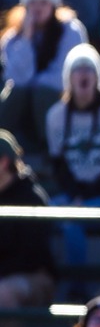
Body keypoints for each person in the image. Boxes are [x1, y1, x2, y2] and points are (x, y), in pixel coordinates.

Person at [43, 42, 100, 226]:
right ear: (68, 77)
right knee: (41, 217)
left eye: (89, 69)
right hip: (72, 195)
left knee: (73, 221)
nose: (84, 74)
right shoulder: (55, 116)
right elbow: (58, 164)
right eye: (77, 69)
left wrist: (88, 196)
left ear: (98, 76)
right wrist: (77, 195)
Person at [0, 0, 88, 151]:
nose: (38, 8)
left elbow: (63, 78)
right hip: (23, 104)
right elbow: (17, 79)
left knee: (43, 92)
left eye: (44, 2)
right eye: (33, 2)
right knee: (15, 93)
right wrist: (27, 38)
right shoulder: (13, 39)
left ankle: (50, 151)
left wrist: (36, 85)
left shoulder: (71, 32)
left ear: (54, 4)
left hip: (57, 102)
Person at [0, 130, 57, 314]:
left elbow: (30, 258)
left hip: (35, 277)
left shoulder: (31, 197)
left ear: (4, 162)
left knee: (4, 293)